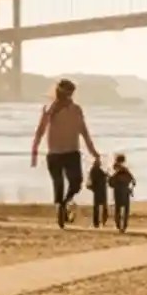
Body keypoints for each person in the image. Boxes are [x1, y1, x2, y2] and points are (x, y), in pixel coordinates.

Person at [31, 78, 101, 224]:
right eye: (67, 94)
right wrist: (34, 151)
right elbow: (40, 131)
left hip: (71, 152)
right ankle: (61, 209)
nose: (68, 97)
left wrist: (93, 152)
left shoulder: (76, 110)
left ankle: (64, 204)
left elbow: (84, 132)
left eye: (70, 94)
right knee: (59, 184)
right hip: (55, 154)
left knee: (76, 183)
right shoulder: (49, 110)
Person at [110, 153, 136, 231]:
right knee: (125, 209)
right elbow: (133, 181)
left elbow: (111, 183)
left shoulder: (116, 171)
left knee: (119, 208)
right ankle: (122, 225)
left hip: (119, 191)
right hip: (124, 191)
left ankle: (120, 225)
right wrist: (131, 188)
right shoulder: (124, 170)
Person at [87, 156, 110, 228]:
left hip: (97, 190)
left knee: (97, 207)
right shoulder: (97, 170)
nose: (100, 163)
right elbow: (104, 176)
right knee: (103, 206)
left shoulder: (94, 170)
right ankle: (102, 221)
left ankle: (97, 222)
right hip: (101, 189)